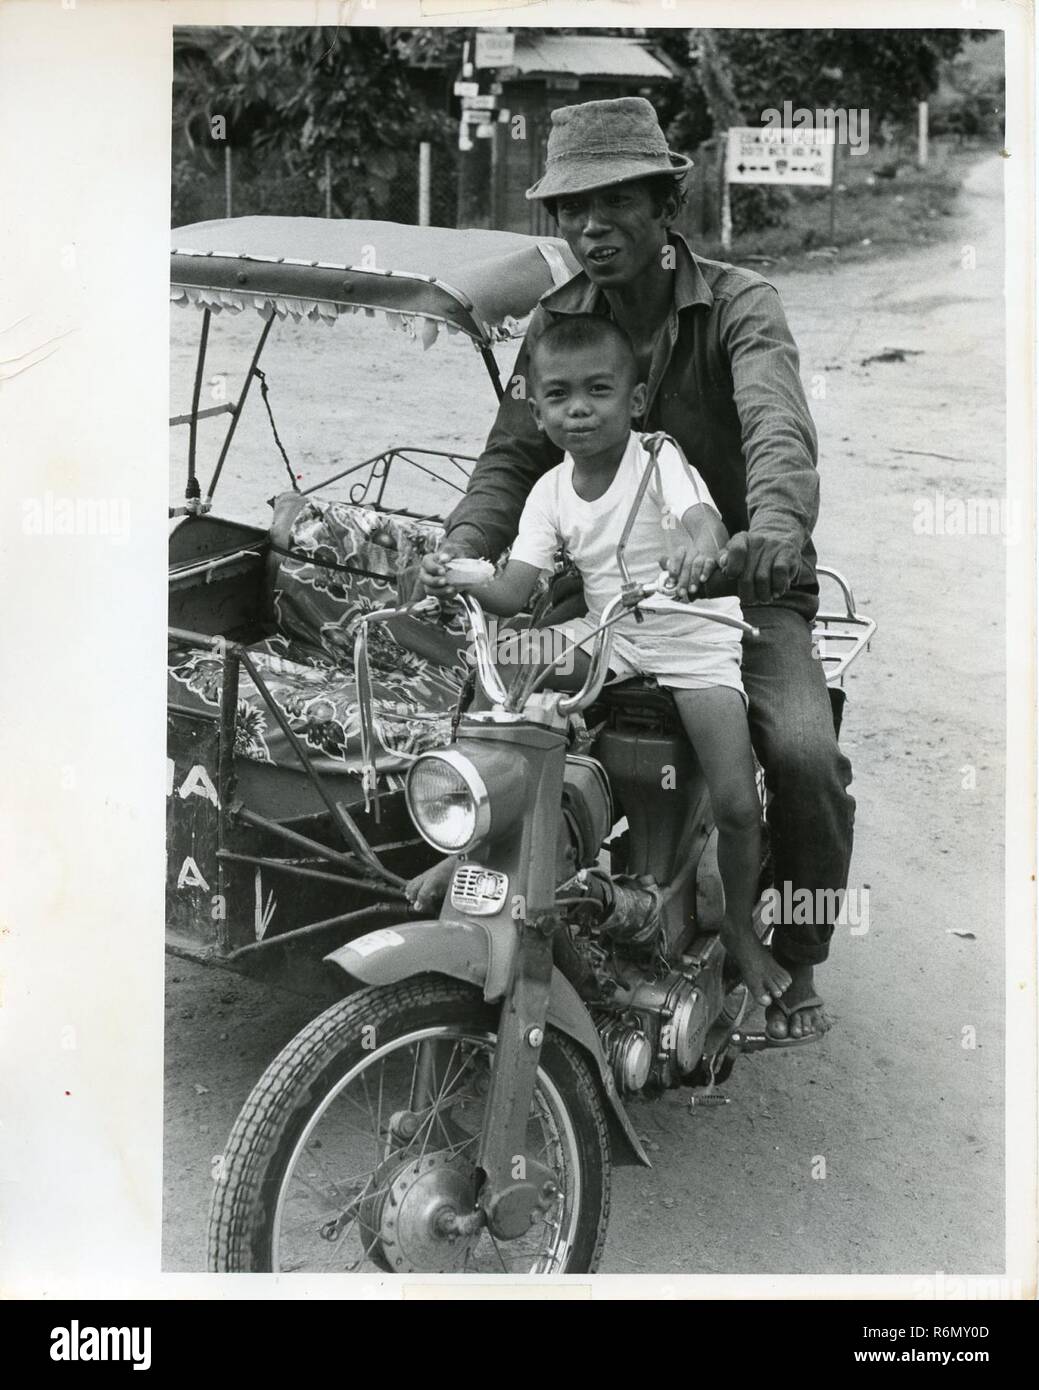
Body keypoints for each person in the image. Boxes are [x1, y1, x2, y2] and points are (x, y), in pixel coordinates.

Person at [420, 97, 854, 1041]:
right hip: (606, 591)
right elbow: (510, 460)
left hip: (739, 589)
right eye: (571, 209)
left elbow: (777, 428)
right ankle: (503, 896)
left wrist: (770, 529)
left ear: (668, 205)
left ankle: (792, 948)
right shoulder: (558, 317)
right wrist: (463, 548)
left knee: (804, 759)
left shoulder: (740, 305)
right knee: (483, 705)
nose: (590, 226)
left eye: (616, 201)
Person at [424, 314, 791, 1008]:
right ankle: (464, 846)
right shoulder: (548, 491)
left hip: (692, 635)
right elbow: (514, 588)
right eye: (558, 396)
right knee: (500, 669)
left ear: (636, 399)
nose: (579, 409)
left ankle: (739, 930)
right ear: (535, 409)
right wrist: (462, 575)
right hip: (610, 633)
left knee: (738, 803)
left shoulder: (657, 459)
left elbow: (700, 522)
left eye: (598, 390)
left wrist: (698, 548)